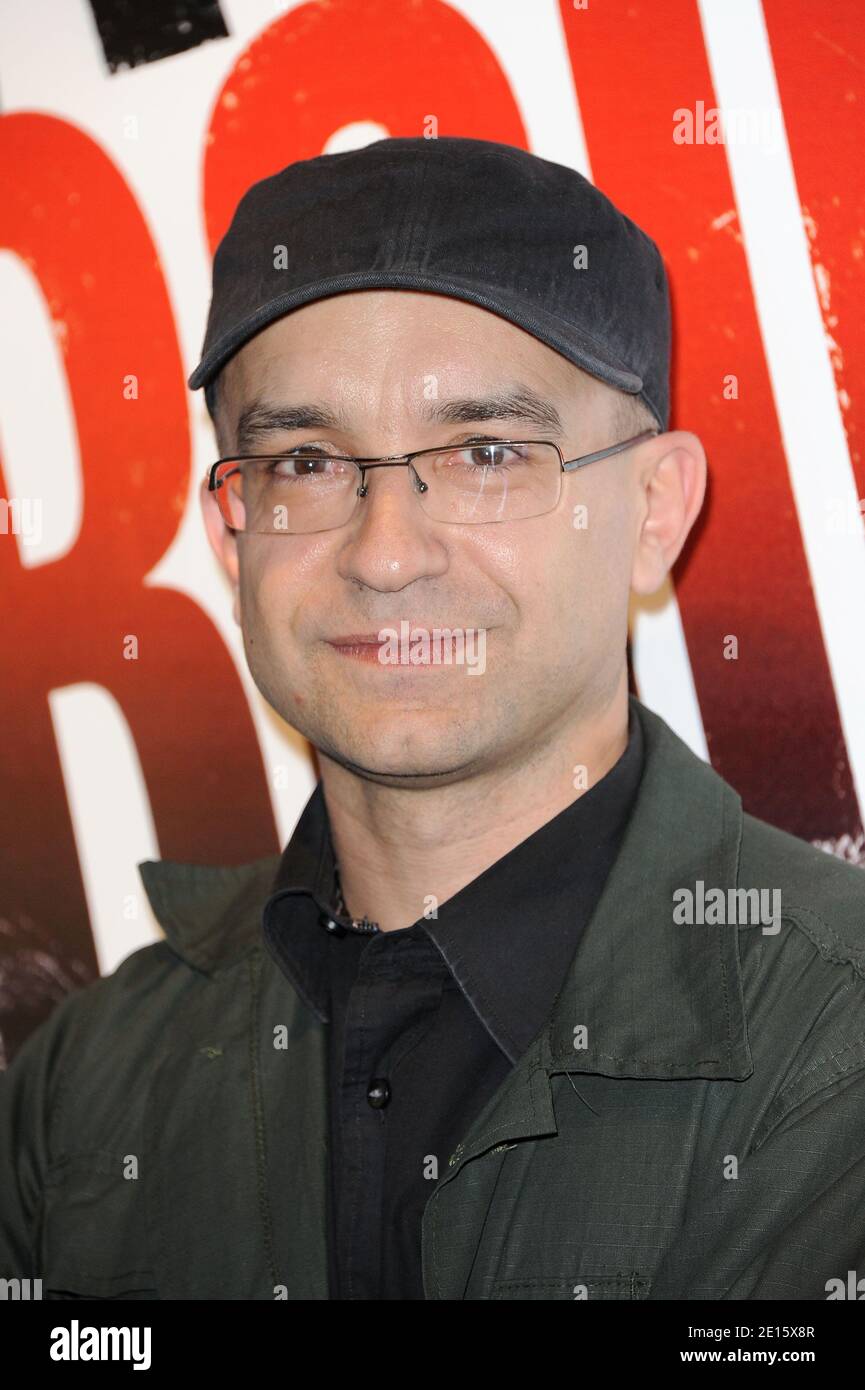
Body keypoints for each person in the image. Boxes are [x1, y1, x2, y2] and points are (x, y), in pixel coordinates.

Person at [2, 136, 865, 1302]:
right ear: (230, 532)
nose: (387, 552)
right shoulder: (79, 1088)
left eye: (485, 452)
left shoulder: (838, 1037)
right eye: (305, 460)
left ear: (655, 509)